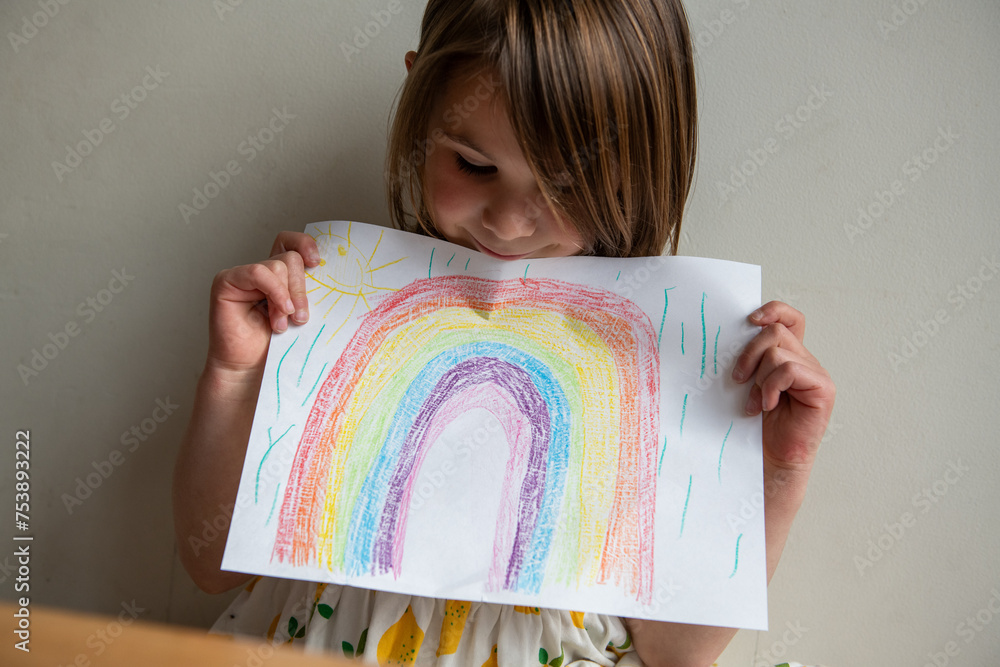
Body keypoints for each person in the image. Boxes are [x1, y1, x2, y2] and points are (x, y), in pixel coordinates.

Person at [172, 0, 836, 665]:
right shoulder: (332, 309)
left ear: (641, 165)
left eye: (568, 185)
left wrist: (779, 469)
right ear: (420, 101)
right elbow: (212, 562)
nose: (512, 225)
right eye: (474, 165)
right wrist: (236, 375)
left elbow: (676, 653)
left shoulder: (662, 360)